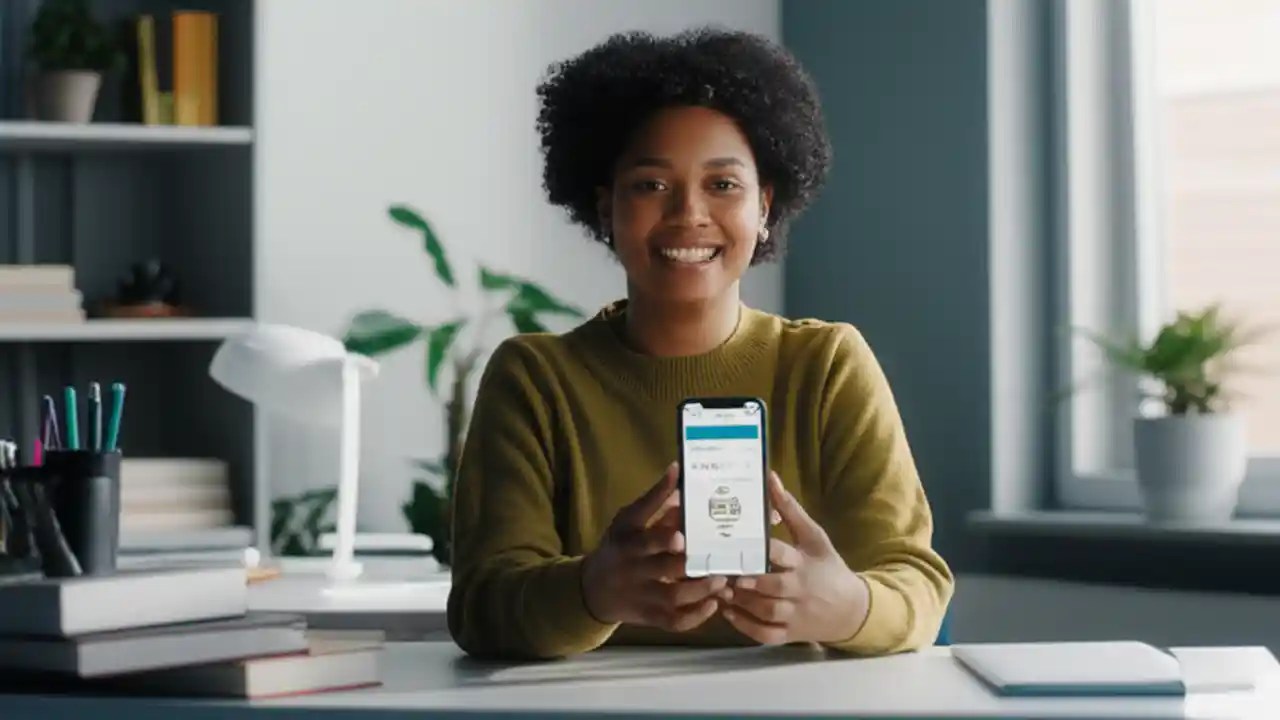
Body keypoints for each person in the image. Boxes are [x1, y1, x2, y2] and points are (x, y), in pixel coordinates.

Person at [446, 27, 953, 661]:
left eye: (723, 185)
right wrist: (593, 590)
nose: (689, 213)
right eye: (651, 185)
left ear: (764, 206)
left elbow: (916, 582)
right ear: (605, 209)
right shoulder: (535, 379)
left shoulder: (826, 365)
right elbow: (480, 608)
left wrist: (848, 607)